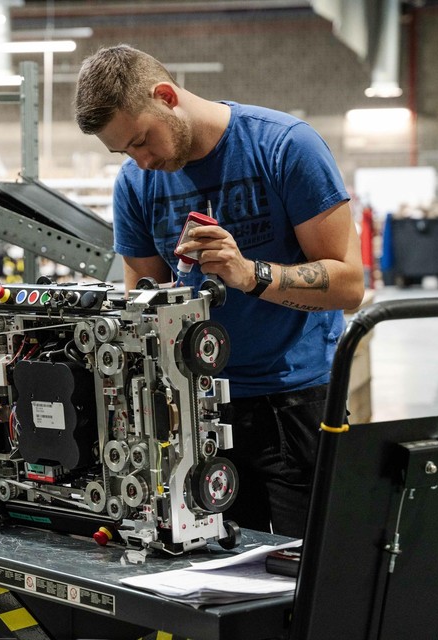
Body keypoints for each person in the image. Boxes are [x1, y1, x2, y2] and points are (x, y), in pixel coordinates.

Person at [74, 45, 364, 539]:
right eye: (125, 152)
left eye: (143, 140)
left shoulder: (286, 147)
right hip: (195, 411)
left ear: (166, 96)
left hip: (293, 404)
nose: (141, 161)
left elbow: (349, 285)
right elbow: (143, 299)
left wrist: (249, 273)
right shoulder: (136, 184)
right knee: (217, 581)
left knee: (311, 575)